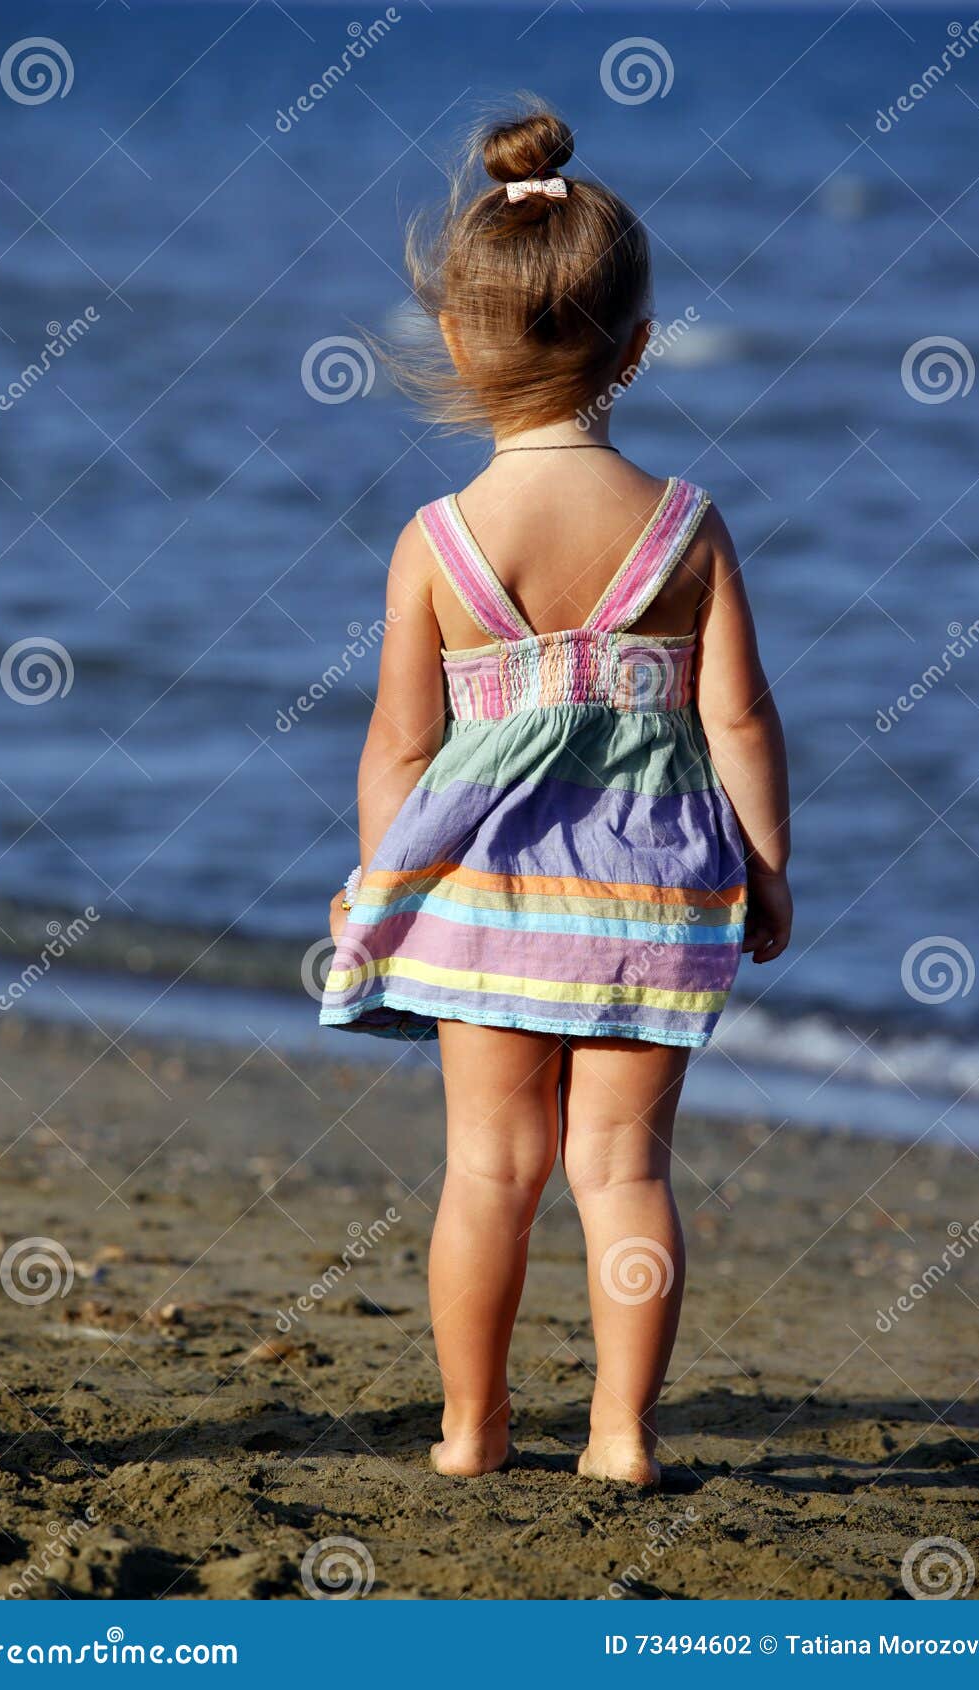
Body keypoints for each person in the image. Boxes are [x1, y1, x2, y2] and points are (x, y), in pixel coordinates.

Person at [322, 108, 791, 1486]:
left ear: (456, 346)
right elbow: (741, 718)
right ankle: (623, 1434)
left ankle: (472, 1428)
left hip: (484, 903)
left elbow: (399, 747)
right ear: (637, 349)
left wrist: (380, 891)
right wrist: (765, 870)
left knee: (489, 1170)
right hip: (653, 893)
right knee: (622, 1172)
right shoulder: (686, 525)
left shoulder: (438, 541)